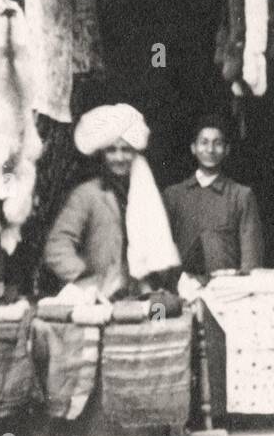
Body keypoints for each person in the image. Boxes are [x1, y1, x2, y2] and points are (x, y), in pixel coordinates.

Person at [43, 104, 182, 300]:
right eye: (111, 150)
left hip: (142, 293)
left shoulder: (147, 194)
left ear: (135, 153)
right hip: (102, 298)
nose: (119, 157)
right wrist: (85, 280)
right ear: (102, 155)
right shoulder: (87, 194)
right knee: (105, 331)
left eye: (126, 150)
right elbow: (56, 247)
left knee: (159, 323)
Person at [162, 116, 264, 277]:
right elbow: (161, 251)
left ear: (226, 150)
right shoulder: (173, 195)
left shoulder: (242, 196)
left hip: (226, 290)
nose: (210, 149)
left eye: (217, 143)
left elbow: (251, 258)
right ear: (193, 148)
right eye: (204, 142)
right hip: (181, 289)